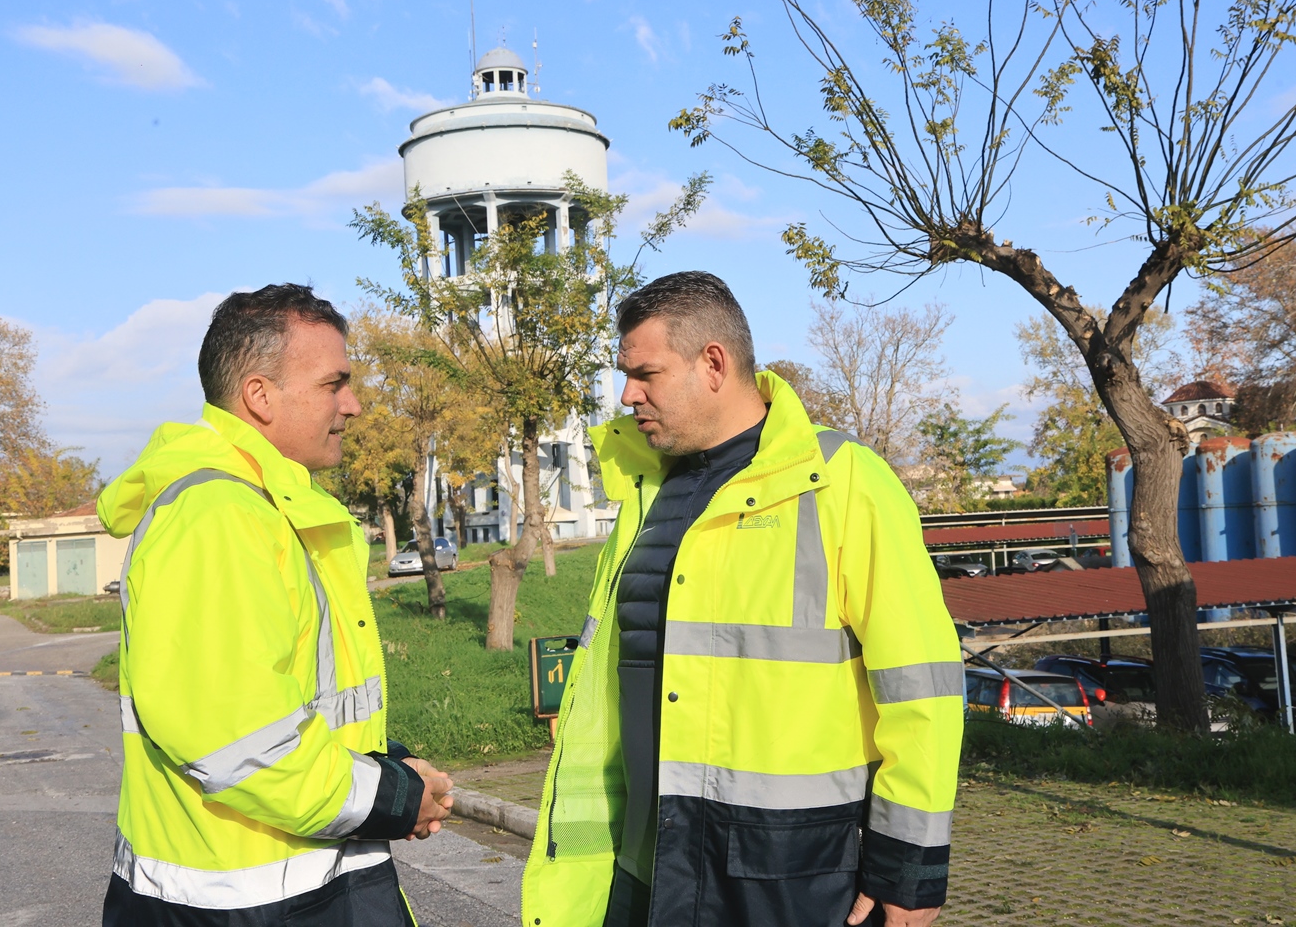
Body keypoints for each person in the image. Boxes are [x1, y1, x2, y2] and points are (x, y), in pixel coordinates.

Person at [520, 272, 963, 927]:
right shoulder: (644, 494)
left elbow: (922, 686)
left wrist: (909, 870)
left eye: (645, 374)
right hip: (645, 873)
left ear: (713, 364)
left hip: (797, 883)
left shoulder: (842, 482)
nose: (627, 395)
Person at [98, 284, 453, 927]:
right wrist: (395, 799)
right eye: (334, 384)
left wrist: (388, 767)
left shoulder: (268, 508)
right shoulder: (219, 517)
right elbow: (240, 741)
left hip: (290, 890)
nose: (354, 404)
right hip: (243, 906)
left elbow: (293, 701)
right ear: (260, 396)